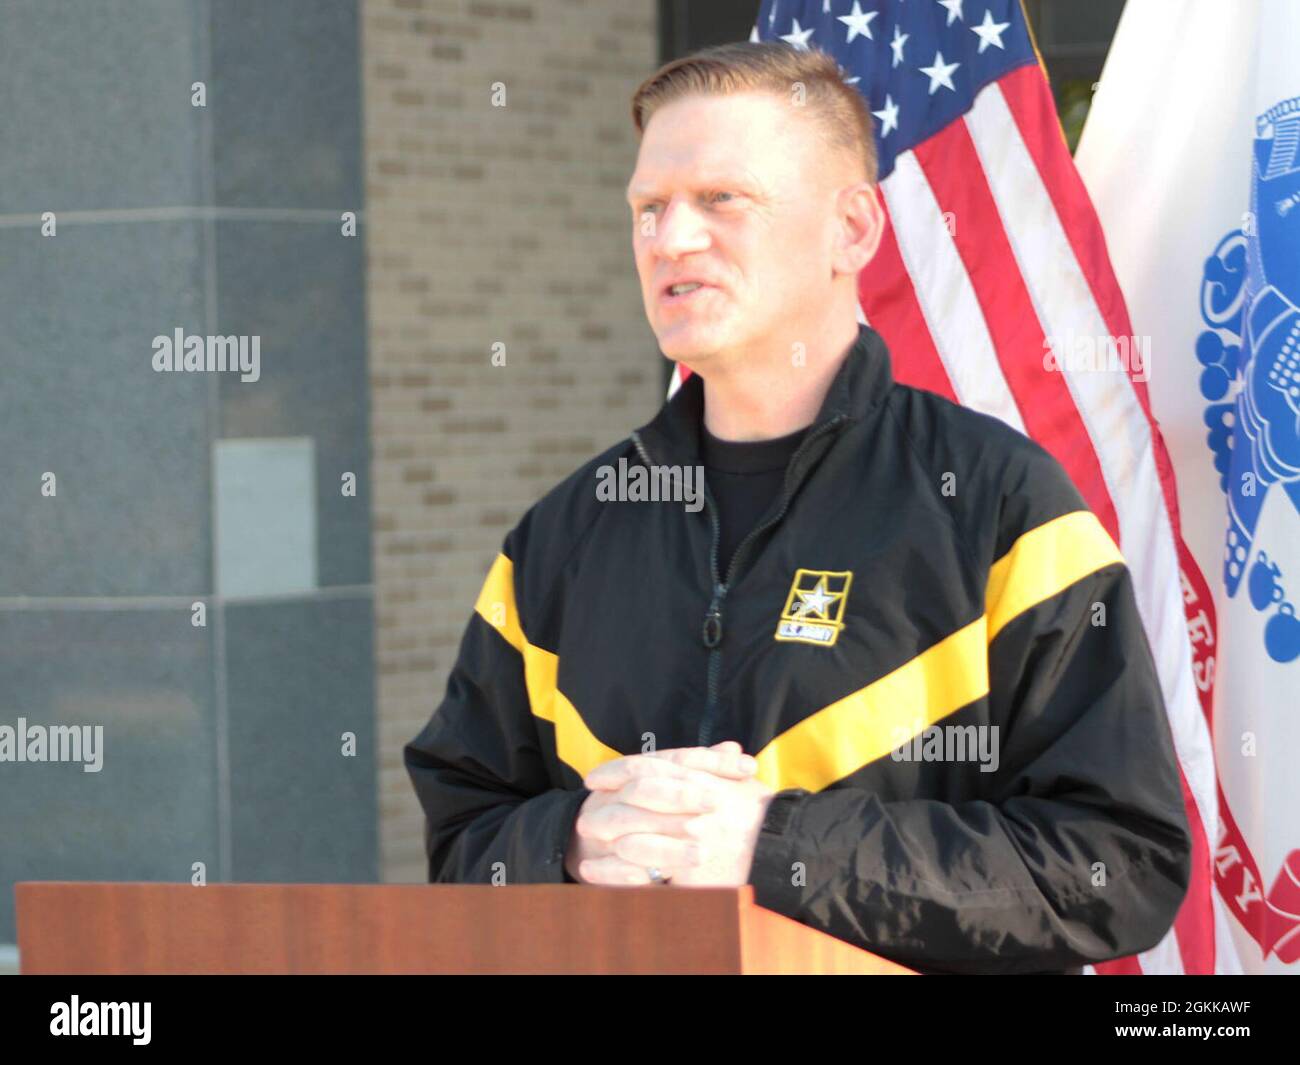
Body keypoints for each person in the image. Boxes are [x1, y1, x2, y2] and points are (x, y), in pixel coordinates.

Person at [404, 41, 1191, 975]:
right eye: (648, 208)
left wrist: (775, 849)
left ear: (851, 230)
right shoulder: (560, 537)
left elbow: (1118, 864)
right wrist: (571, 842)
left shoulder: (1002, 510)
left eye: (721, 199)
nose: (670, 238)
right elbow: (462, 841)